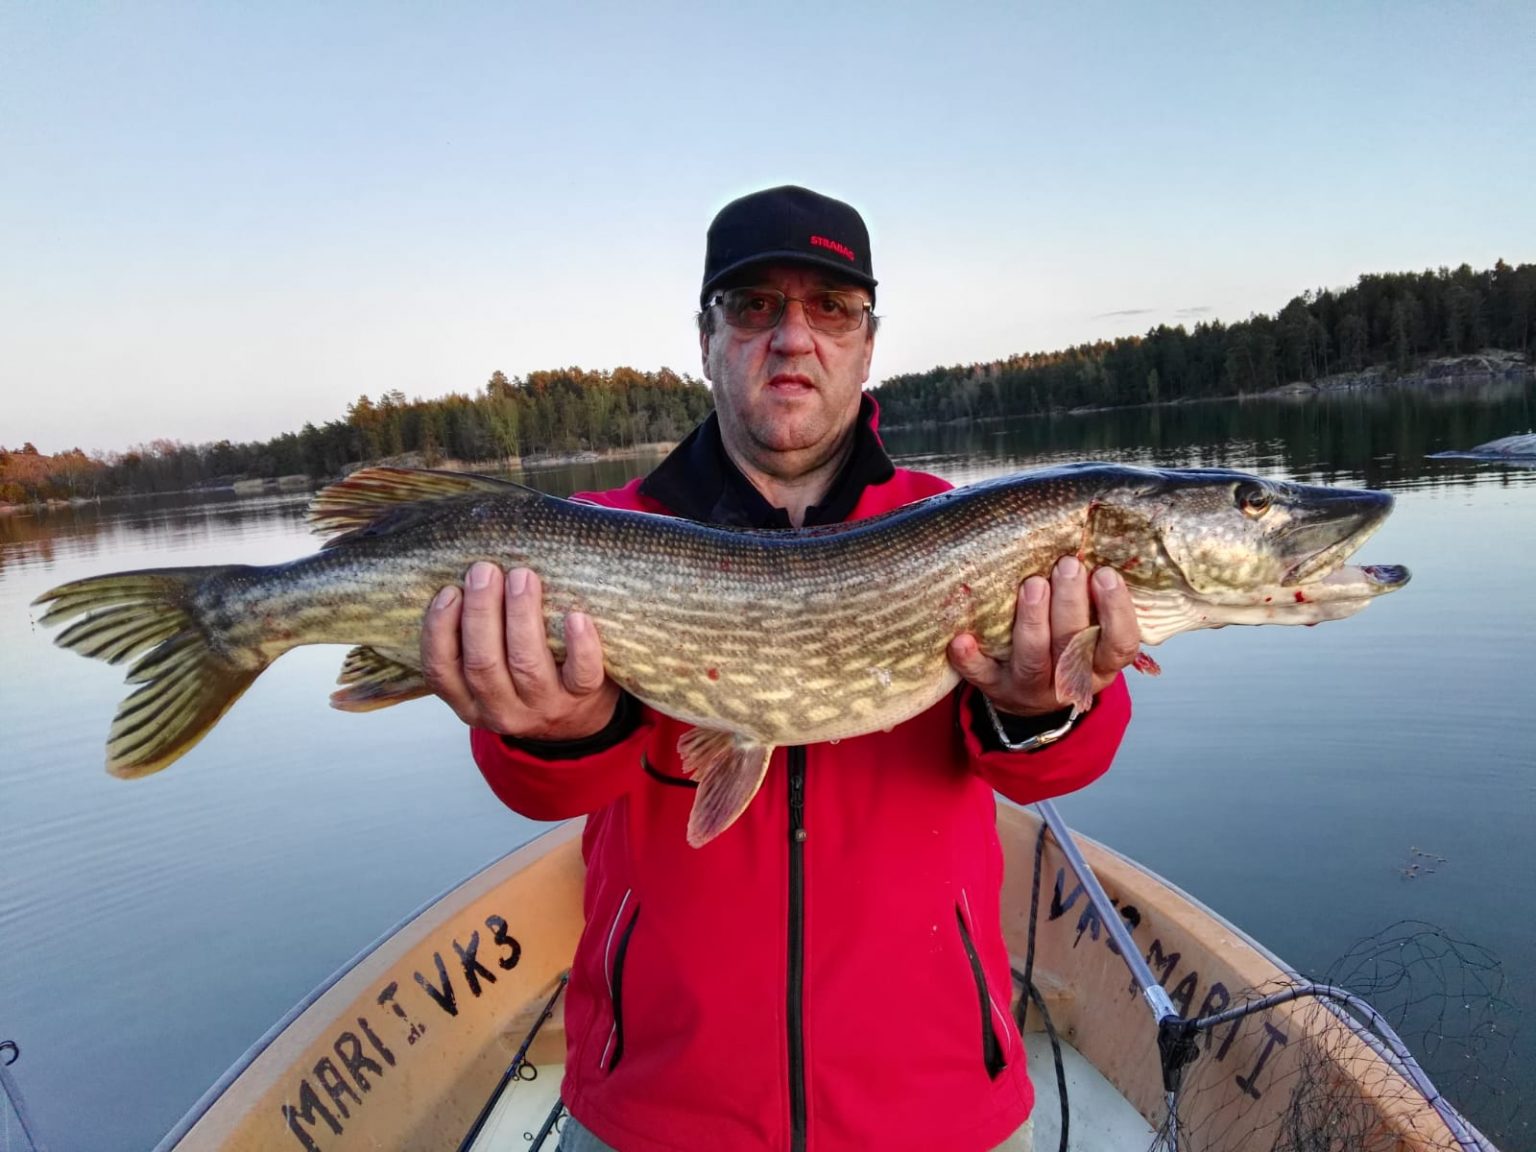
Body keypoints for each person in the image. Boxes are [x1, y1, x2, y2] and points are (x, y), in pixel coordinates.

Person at [421, 186, 1140, 1152]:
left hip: (936, 1113)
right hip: (656, 1115)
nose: (793, 337)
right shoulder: (599, 532)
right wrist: (558, 731)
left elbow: (1053, 768)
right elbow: (532, 788)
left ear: (867, 342)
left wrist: (1039, 707)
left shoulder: (968, 532)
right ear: (708, 337)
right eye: (755, 305)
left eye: (830, 308)